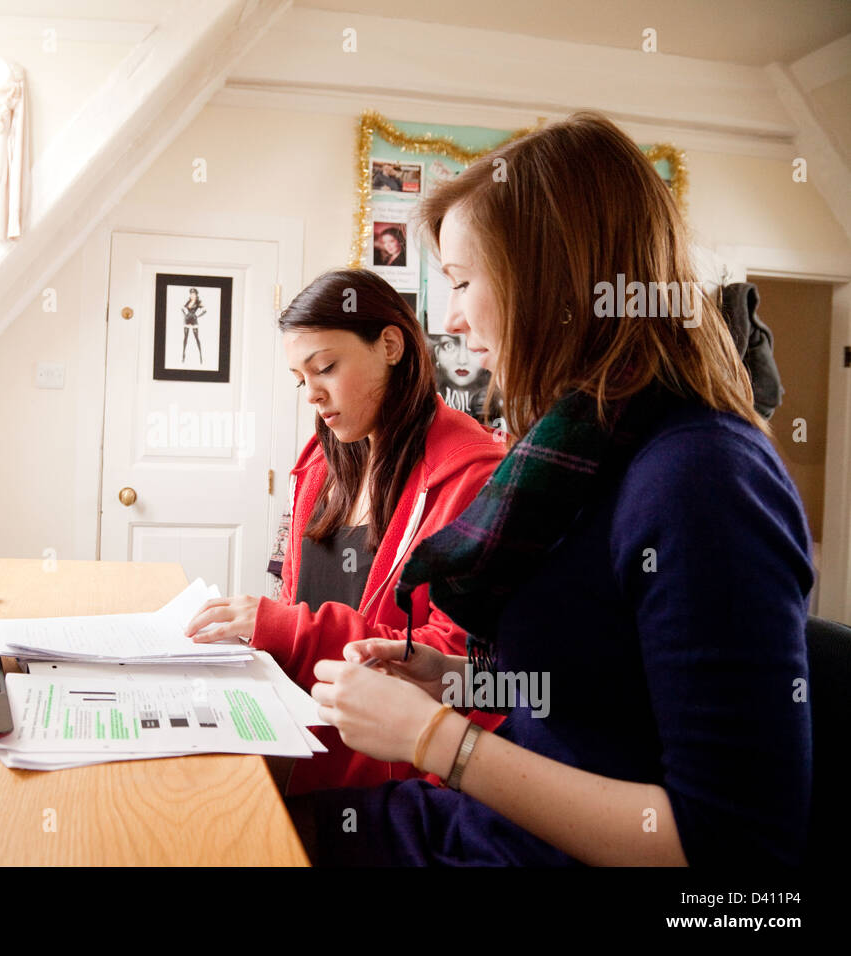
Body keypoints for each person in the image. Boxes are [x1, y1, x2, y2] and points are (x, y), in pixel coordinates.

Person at [299, 111, 813, 866]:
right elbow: (596, 701)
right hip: (488, 829)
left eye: (464, 283)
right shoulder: (585, 444)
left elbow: (736, 848)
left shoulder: (703, 479)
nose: (452, 322)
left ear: (555, 282)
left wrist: (433, 738)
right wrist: (456, 683)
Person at [184, 268, 506, 795]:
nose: (312, 394)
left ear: (390, 345)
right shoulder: (316, 465)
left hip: (392, 784)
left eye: (326, 368)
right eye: (300, 378)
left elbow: (461, 659)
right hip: (297, 745)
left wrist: (290, 630)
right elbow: (286, 598)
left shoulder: (473, 475)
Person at [180, 287, 205, 363]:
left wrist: (197, 316)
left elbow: (204, 311)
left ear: (196, 294)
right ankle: (183, 355)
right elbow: (182, 309)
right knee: (185, 338)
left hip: (194, 321)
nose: (192, 295)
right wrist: (185, 315)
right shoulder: (188, 301)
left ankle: (200, 355)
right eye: (191, 294)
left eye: (193, 294)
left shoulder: (198, 302)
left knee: (196, 338)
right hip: (187, 320)